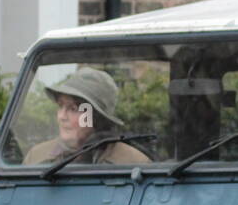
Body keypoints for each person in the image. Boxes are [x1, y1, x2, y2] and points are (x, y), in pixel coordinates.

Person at [22, 66, 151, 165]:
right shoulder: (36, 157)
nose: (62, 116)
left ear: (96, 118)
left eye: (73, 109)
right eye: (61, 106)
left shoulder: (133, 163)